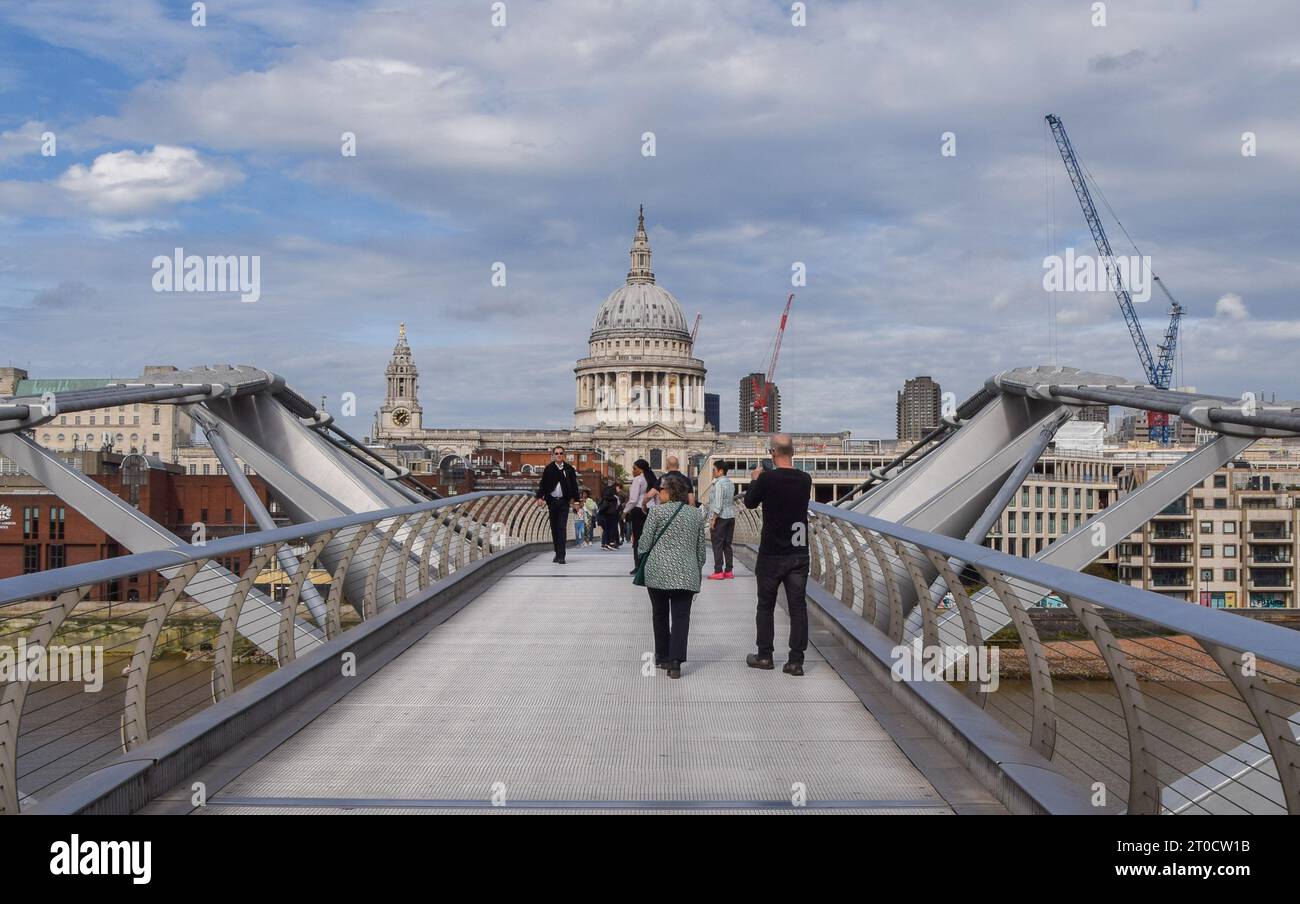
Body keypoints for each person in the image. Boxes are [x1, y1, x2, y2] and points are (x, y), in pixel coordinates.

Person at [742, 434, 812, 676]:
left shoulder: (767, 479)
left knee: (766, 606)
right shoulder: (805, 479)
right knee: (798, 608)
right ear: (793, 452)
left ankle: (764, 656)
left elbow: (750, 503)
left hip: (772, 552)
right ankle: (796, 661)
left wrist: (755, 480)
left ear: (772, 452)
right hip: (799, 551)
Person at [637, 472, 707, 679]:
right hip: (686, 573)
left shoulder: (656, 513)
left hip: (657, 572)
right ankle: (676, 663)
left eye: (661, 490)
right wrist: (696, 570)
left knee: (659, 615)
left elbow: (644, 544)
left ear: (668, 492)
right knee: (681, 617)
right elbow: (701, 551)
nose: (659, 494)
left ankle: (662, 657)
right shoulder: (695, 515)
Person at [534, 445, 581, 564]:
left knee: (561, 527)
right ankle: (557, 552)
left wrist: (576, 501)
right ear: (553, 455)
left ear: (563, 455)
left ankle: (562, 555)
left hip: (564, 502)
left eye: (561, 453)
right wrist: (539, 496)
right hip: (552, 502)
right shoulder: (549, 469)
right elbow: (543, 484)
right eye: (557, 453)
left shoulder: (569, 469)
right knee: (554, 529)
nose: (559, 455)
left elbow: (574, 486)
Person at [624, 459, 657, 574]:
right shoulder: (652, 479)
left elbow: (633, 499)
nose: (632, 471)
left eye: (634, 468)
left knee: (637, 539)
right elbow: (656, 497)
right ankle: (650, 565)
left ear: (641, 469)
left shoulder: (638, 480)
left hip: (638, 510)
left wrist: (625, 511)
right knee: (650, 539)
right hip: (651, 510)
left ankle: (638, 566)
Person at [706, 461, 735, 580]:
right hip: (731, 516)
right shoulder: (731, 483)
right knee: (727, 544)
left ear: (720, 471)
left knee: (717, 544)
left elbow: (718, 503)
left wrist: (713, 519)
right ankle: (729, 571)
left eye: (714, 470)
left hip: (720, 517)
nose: (712, 472)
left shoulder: (718, 484)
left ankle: (718, 571)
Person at [599, 480, 621, 549]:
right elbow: (605, 497)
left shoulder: (611, 491)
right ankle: (608, 543)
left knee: (608, 528)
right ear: (617, 487)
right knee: (609, 528)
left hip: (609, 512)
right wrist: (614, 498)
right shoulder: (612, 491)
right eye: (619, 488)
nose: (619, 490)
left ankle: (607, 543)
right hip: (610, 512)